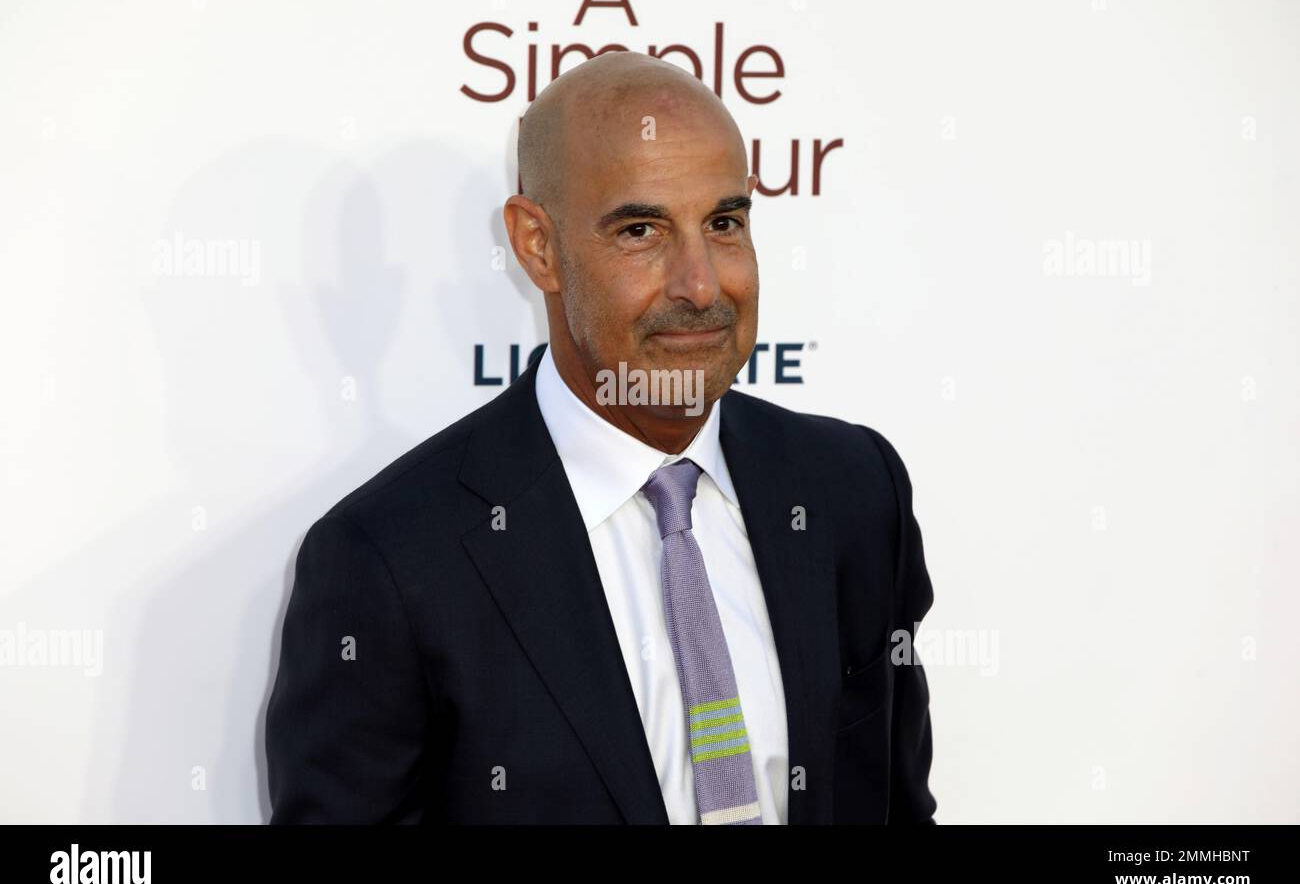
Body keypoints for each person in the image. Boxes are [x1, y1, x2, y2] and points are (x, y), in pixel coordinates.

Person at [265, 50, 937, 824]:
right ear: (537, 246)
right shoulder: (388, 561)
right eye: (641, 230)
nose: (701, 285)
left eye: (724, 223)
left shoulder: (853, 488)